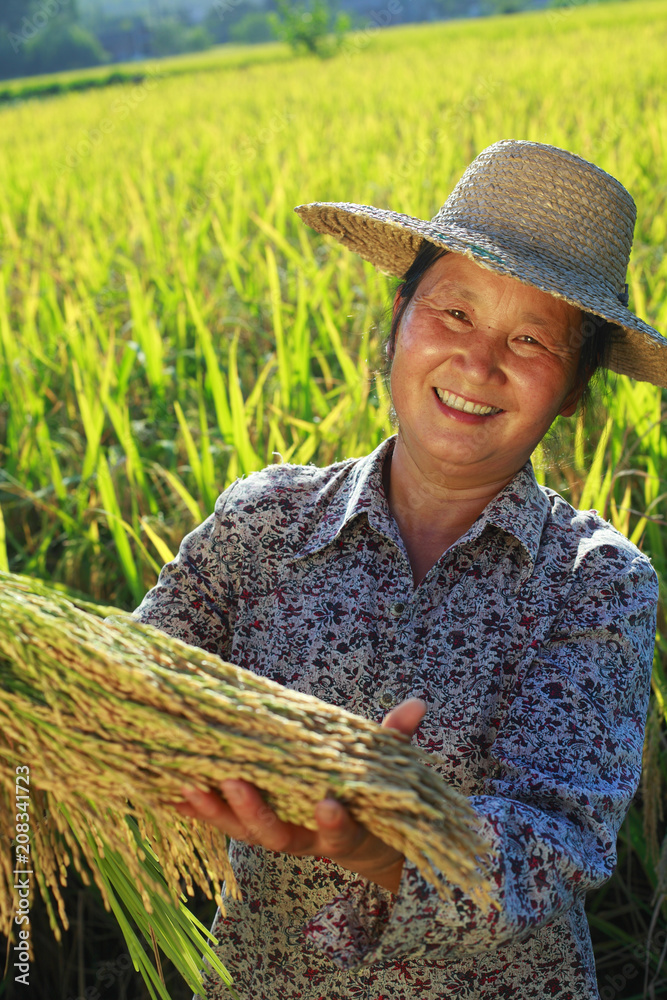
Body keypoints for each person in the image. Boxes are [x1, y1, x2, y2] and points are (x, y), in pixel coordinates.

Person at [133, 140, 666, 999]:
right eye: (453, 314)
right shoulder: (264, 521)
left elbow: (554, 845)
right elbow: (133, 689)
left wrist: (378, 838)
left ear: (571, 389)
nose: (477, 363)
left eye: (529, 339)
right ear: (399, 315)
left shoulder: (595, 580)